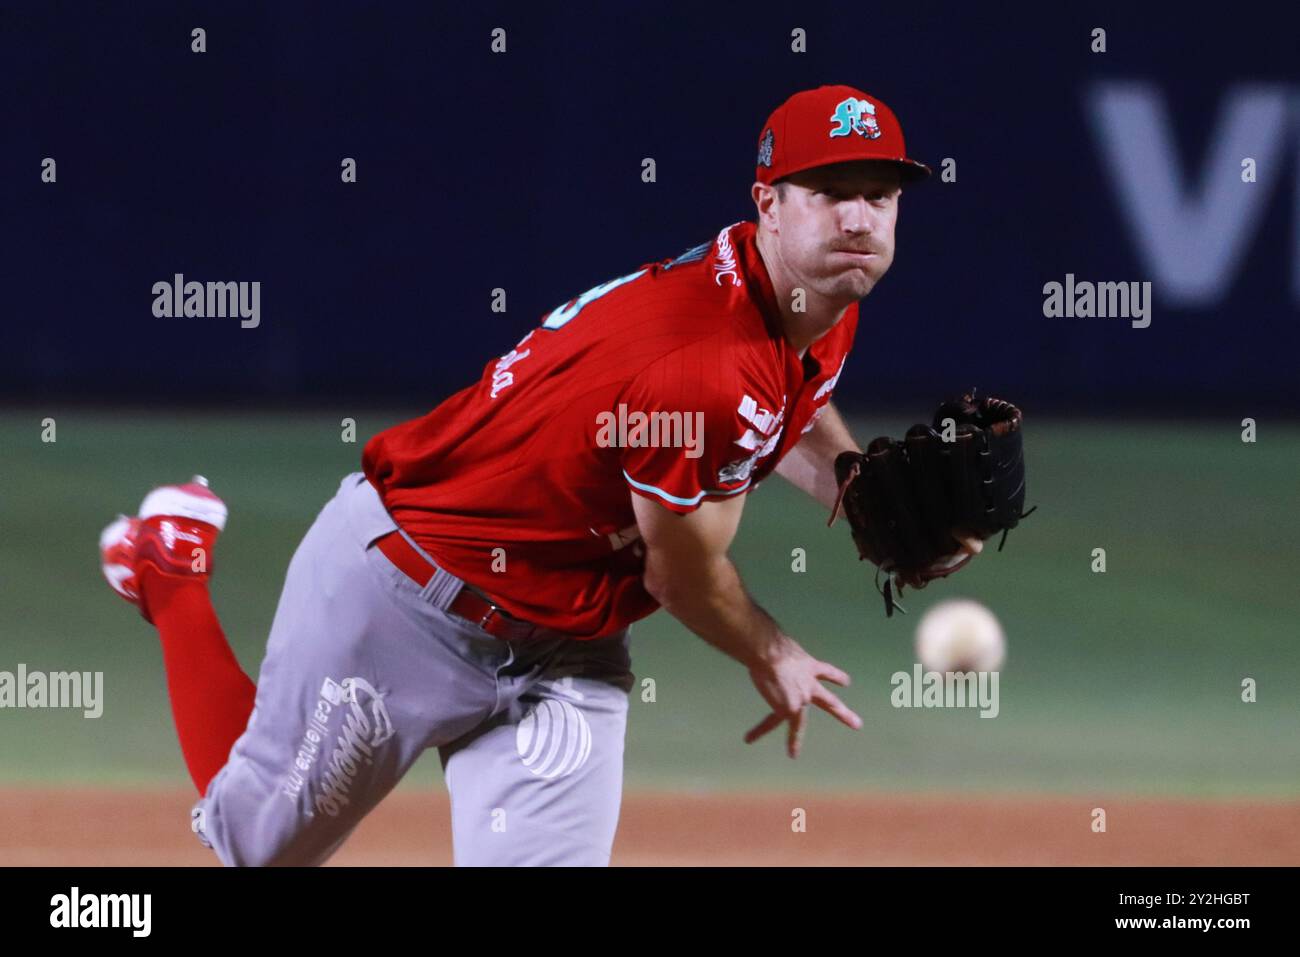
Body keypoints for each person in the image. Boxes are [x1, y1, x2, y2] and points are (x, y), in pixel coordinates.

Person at [99, 84, 976, 866]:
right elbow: (679, 572)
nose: (860, 220)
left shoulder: (813, 301)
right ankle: (172, 573)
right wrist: (772, 650)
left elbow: (788, 404)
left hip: (566, 644)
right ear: (769, 206)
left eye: (880, 197)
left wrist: (852, 484)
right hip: (406, 590)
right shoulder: (700, 367)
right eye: (831, 194)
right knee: (258, 850)